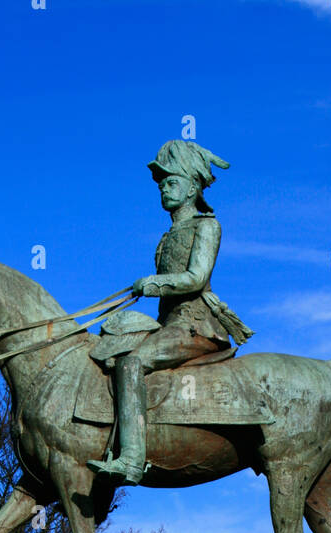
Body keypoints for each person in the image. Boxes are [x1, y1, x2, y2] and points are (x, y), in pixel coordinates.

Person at [87, 140, 252, 485]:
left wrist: (155, 283)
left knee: (132, 362)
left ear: (193, 187)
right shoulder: (166, 237)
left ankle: (132, 459)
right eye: (161, 183)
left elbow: (197, 278)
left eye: (172, 181)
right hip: (168, 325)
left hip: (195, 326)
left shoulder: (207, 226)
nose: (164, 188)